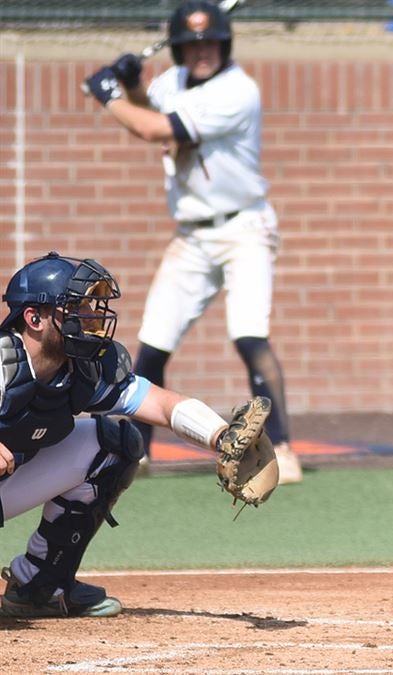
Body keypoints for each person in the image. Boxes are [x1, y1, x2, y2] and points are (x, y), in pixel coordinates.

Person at [82, 0, 301, 484]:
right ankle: (135, 451)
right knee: (154, 343)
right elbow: (150, 107)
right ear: (180, 48)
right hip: (193, 234)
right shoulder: (172, 83)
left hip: (243, 227)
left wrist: (108, 93)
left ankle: (283, 449)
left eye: (211, 42)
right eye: (192, 43)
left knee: (249, 335)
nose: (203, 51)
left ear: (225, 42)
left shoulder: (237, 91)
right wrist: (134, 84)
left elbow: (152, 128)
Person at [0, 252, 269, 617]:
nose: (92, 317)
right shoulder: (4, 363)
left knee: (113, 446)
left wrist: (220, 436)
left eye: (91, 306)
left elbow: (159, 404)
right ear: (33, 318)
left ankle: (39, 585)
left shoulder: (84, 369)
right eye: (75, 308)